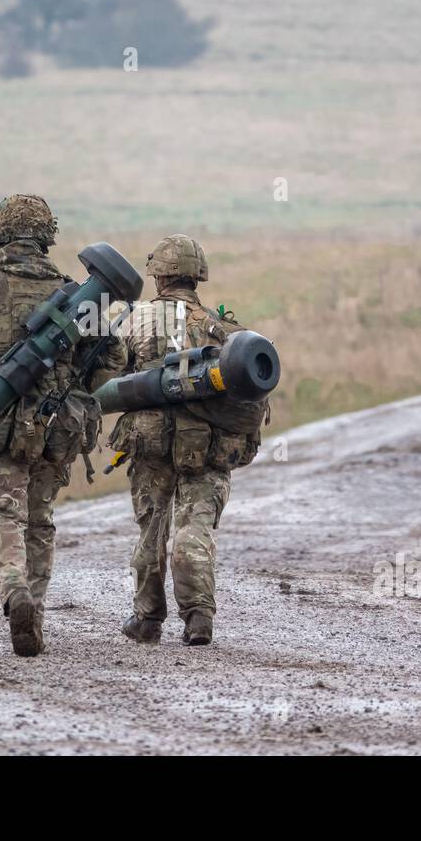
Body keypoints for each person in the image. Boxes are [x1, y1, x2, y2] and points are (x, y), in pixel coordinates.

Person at [0, 195, 124, 656]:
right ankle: (33, 606)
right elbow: (111, 363)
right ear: (46, 237)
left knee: (6, 513)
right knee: (40, 519)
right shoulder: (77, 294)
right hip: (57, 427)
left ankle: (14, 589)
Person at [108, 235, 268, 646]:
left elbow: (108, 382)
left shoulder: (134, 320)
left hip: (151, 446)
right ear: (198, 276)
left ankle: (147, 619)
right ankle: (198, 618)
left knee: (151, 530)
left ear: (157, 274)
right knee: (194, 530)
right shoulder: (222, 328)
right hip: (208, 448)